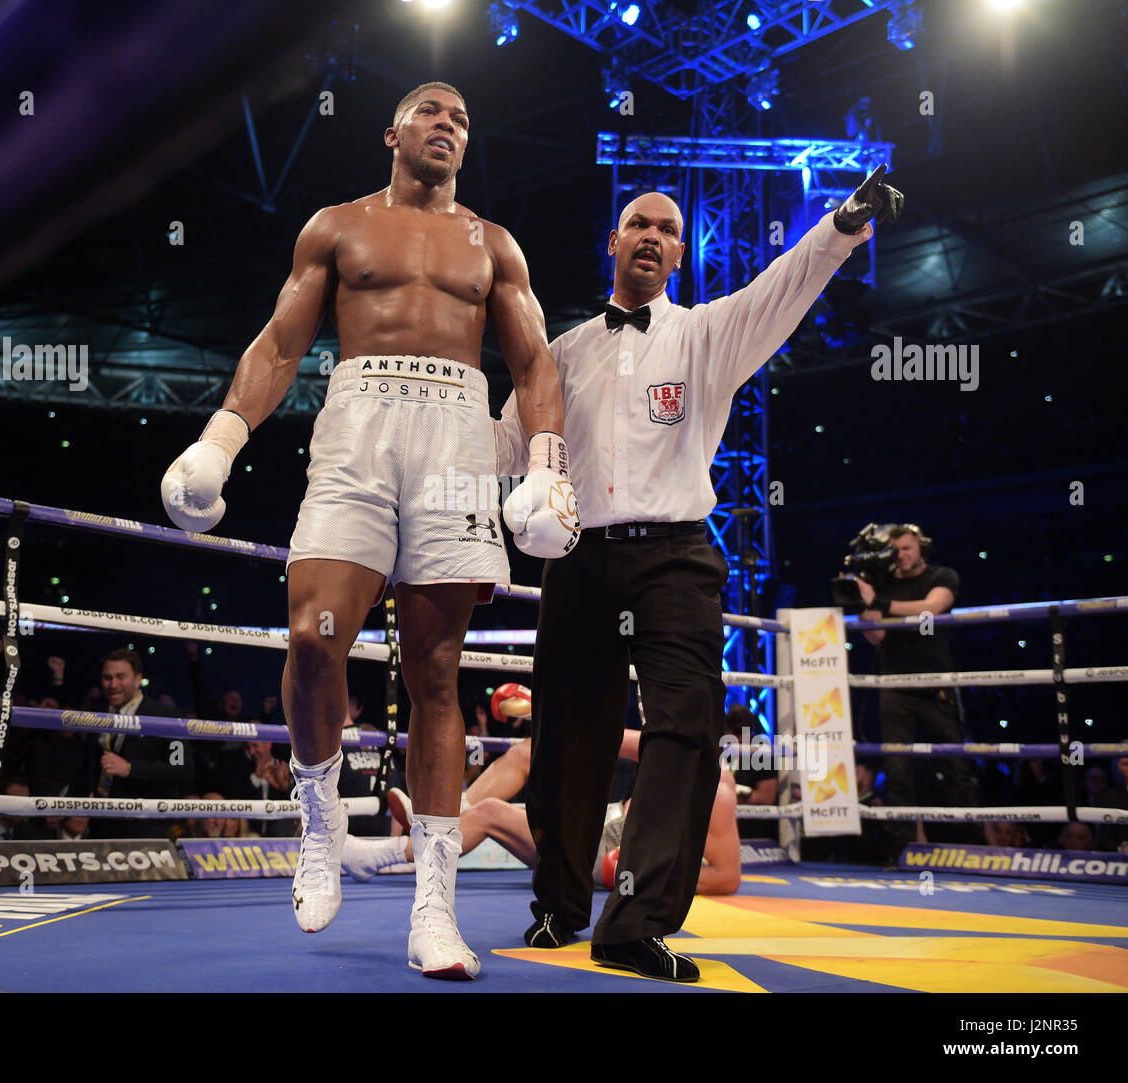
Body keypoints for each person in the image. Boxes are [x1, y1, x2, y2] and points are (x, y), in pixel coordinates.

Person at [159, 82, 580, 979]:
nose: (448, 124)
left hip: (460, 432)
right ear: (393, 131)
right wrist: (217, 443)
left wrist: (545, 465)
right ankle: (321, 816)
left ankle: (435, 904)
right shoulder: (337, 225)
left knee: (436, 671)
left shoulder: (493, 244)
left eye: (463, 117)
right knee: (314, 637)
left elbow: (536, 360)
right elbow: (279, 345)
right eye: (432, 110)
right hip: (359, 420)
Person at [493, 168, 902, 981]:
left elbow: (783, 285)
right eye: (637, 223)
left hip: (675, 557)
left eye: (667, 228)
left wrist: (843, 224)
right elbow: (497, 453)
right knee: (570, 739)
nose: (650, 235)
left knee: (684, 731)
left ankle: (636, 919)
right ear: (612, 241)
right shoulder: (558, 354)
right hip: (575, 559)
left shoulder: (710, 335)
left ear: (680, 252)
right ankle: (558, 906)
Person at [344, 727, 742, 896]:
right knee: (531, 751)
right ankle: (442, 818)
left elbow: (727, 877)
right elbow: (601, 734)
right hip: (605, 819)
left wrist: (640, 876)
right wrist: (542, 708)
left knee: (490, 814)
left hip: (609, 851)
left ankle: (380, 854)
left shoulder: (714, 794)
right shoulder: (668, 745)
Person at [857, 525, 981, 852]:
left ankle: (973, 846)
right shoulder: (883, 585)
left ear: (921, 548)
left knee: (954, 764)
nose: (901, 554)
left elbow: (929, 609)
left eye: (907, 548)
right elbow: (877, 637)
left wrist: (879, 601)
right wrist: (863, 602)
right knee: (898, 769)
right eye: (895, 549)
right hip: (895, 683)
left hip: (935, 682)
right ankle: (904, 850)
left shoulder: (942, 576)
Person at [86, 648, 195, 839]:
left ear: (138, 679)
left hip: (149, 829)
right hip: (103, 826)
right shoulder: (98, 713)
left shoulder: (165, 716)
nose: (113, 684)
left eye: (121, 677)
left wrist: (131, 768)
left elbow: (180, 768)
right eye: (107, 677)